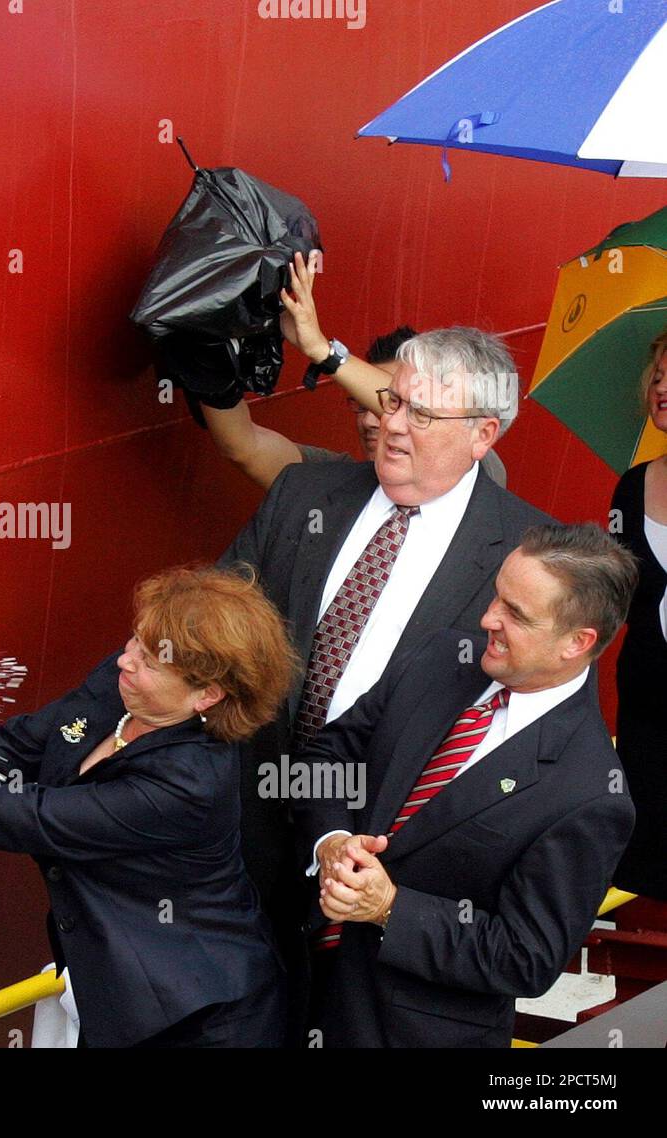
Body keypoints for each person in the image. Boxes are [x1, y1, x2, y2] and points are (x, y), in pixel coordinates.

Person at [218, 307, 551, 1036]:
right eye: (391, 400)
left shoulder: (529, 557)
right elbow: (208, 629)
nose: (392, 425)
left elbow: (527, 734)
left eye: (422, 414)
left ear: (482, 435)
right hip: (241, 851)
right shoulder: (302, 498)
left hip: (384, 878)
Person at [0, 566, 298, 1048]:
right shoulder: (123, 684)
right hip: (122, 995)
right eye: (134, 642)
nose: (126, 660)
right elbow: (13, 749)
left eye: (150, 660)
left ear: (206, 695)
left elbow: (29, 819)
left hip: (199, 1017)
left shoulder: (189, 782)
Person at [295, 524, 637, 1047]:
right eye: (497, 595)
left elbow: (526, 958)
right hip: (292, 979)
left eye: (516, 614)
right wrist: (332, 841)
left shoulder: (590, 795)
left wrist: (389, 907)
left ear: (578, 642)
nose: (488, 619)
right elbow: (331, 754)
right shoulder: (442, 656)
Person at [197, 321, 507, 490]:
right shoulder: (337, 482)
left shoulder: (476, 469)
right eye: (362, 406)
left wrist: (323, 351)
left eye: (394, 400)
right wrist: (208, 347)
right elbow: (243, 445)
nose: (376, 421)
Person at [609, 328, 667, 900]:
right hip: (648, 712)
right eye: (658, 377)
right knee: (648, 874)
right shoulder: (630, 489)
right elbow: (619, 595)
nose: (662, 389)